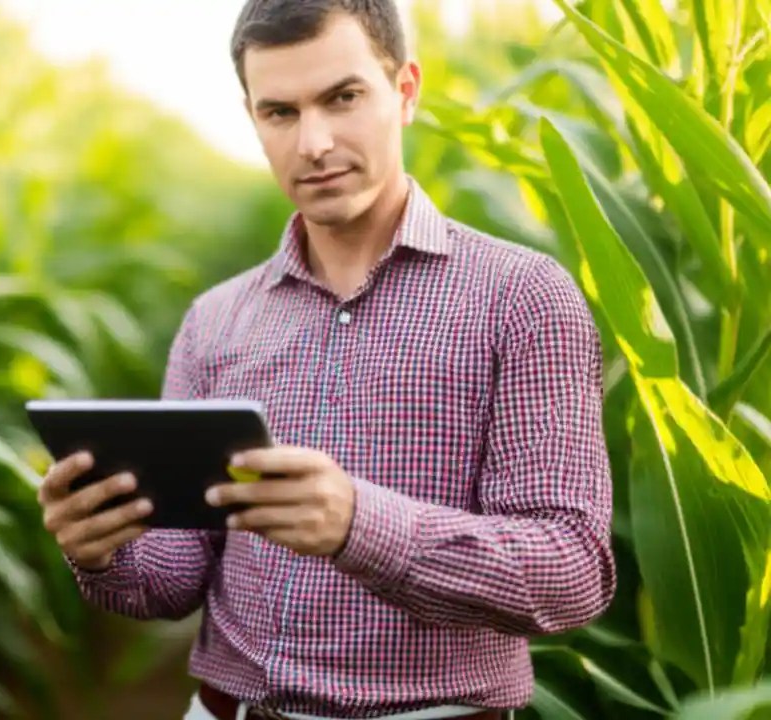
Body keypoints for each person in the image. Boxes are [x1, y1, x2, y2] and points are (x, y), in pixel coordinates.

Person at [35, 1, 616, 718]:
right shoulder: (215, 323)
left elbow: (570, 572)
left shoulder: (522, 298)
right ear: (252, 117)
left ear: (405, 91)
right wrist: (102, 549)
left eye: (342, 98)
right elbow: (176, 578)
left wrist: (357, 526)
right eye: (280, 112)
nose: (313, 142)